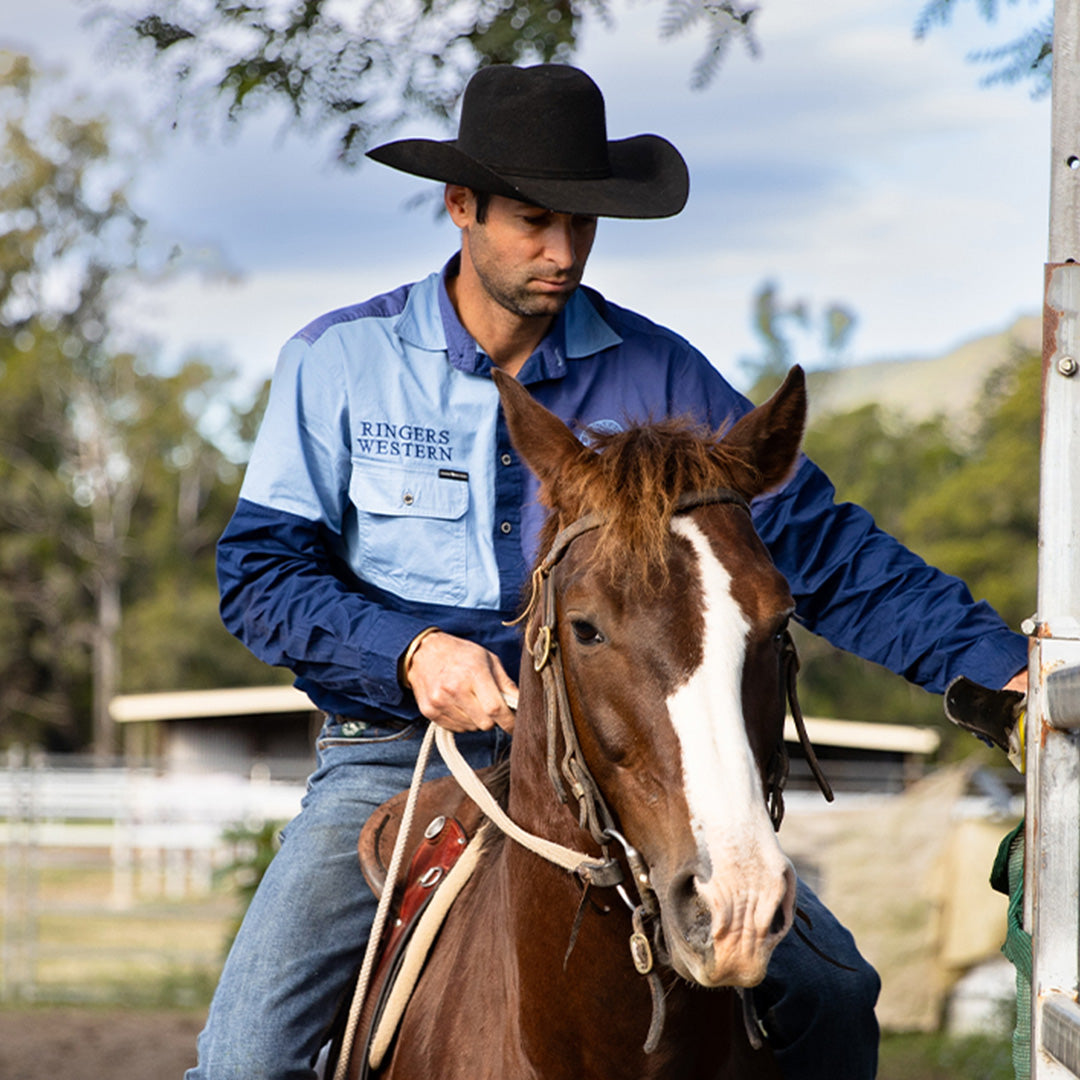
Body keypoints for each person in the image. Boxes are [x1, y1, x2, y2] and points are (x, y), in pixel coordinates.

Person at [193, 64, 1028, 1079]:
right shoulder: (337, 362)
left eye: (582, 224)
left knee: (835, 997)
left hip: (623, 767)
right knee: (244, 1061)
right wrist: (411, 655)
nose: (562, 253)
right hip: (391, 754)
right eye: (534, 222)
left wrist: (999, 670)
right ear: (460, 207)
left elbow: (822, 550)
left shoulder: (665, 374)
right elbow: (263, 574)